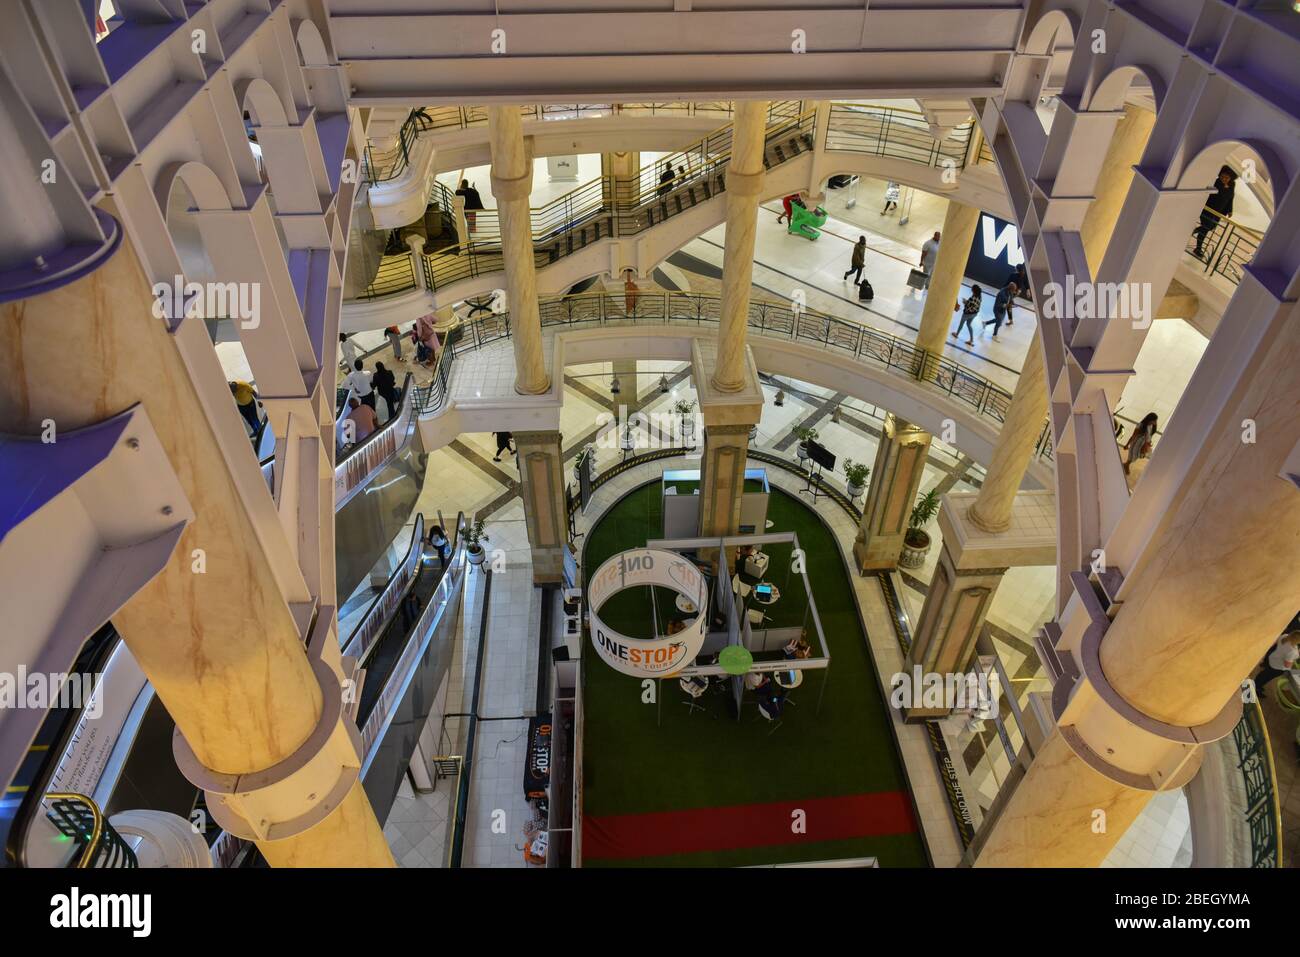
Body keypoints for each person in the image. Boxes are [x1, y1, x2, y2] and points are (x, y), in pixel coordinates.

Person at [1191, 165, 1237, 259]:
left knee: (1209, 228)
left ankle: (1193, 236)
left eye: (1227, 177)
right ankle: (1198, 248)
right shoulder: (1215, 182)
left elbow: (1231, 198)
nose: (1224, 178)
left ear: (1231, 178)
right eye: (1222, 176)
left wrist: (1230, 210)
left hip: (1218, 212)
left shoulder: (1232, 185)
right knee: (1206, 227)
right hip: (1208, 209)